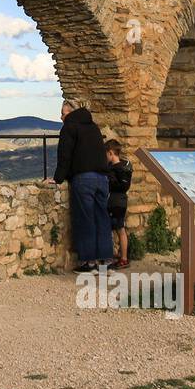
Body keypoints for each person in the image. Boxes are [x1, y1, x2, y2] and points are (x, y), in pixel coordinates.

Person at [52, 100, 113, 271]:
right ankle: (106, 259)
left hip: (83, 178)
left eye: (62, 113)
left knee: (85, 218)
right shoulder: (93, 126)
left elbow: (65, 156)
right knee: (102, 217)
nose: (61, 116)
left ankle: (88, 261)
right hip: (102, 178)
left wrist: (58, 178)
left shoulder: (69, 127)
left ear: (69, 113)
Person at [105, 139, 133, 269]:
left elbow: (114, 185)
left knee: (112, 229)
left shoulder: (113, 170)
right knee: (120, 229)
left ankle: (115, 257)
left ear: (111, 153)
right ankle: (123, 257)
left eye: (106, 154)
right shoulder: (126, 166)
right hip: (122, 201)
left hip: (114, 202)